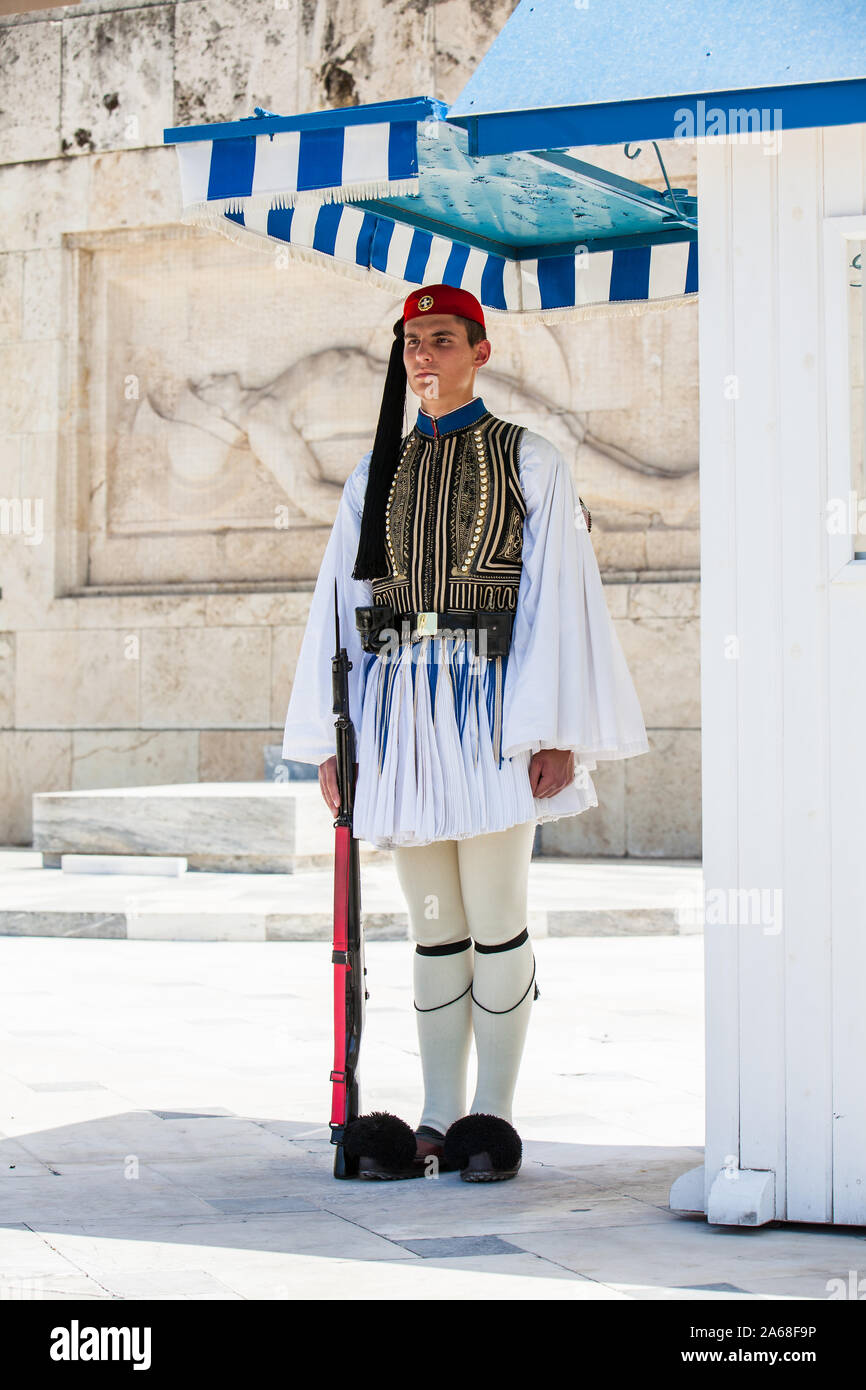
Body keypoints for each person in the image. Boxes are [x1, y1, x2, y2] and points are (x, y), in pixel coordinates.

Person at [282, 283, 649, 1181]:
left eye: (441, 341)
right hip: (404, 712)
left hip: (494, 709)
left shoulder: (532, 461)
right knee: (433, 924)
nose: (422, 358)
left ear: (480, 352)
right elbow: (343, 605)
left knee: (495, 915)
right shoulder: (375, 475)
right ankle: (438, 1116)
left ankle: (495, 1114)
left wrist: (556, 727)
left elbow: (560, 600)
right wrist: (337, 742)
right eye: (411, 343)